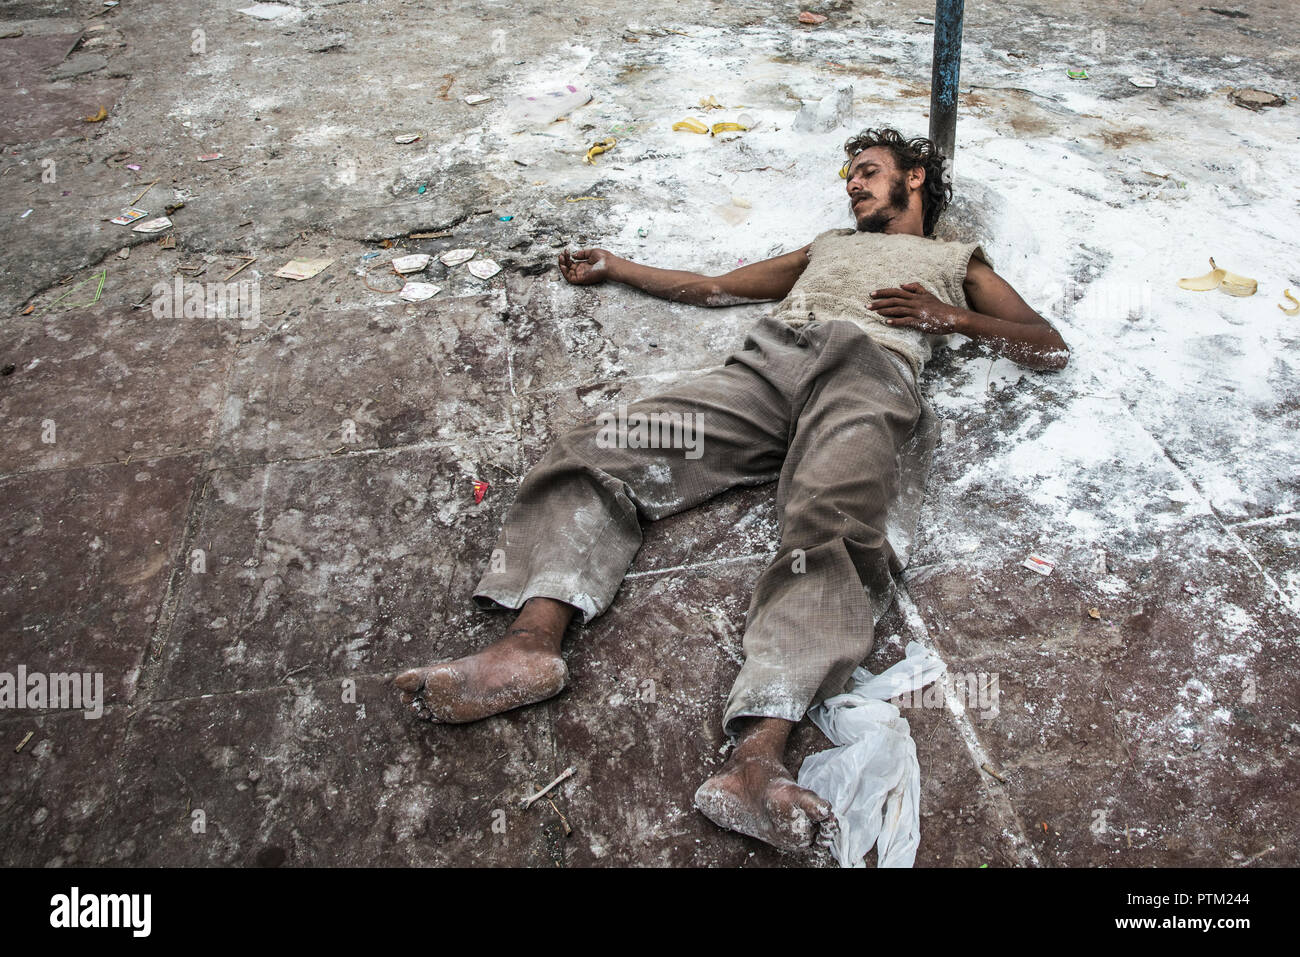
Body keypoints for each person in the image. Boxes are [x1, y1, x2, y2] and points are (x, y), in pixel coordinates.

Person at [394, 127, 1070, 852]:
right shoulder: (826, 247)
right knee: (605, 444)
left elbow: (1047, 343)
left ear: (914, 179)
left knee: (831, 526)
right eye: (848, 175)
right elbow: (720, 285)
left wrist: (950, 318)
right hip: (768, 368)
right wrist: (621, 266)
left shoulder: (951, 259)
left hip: (866, 372)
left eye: (869, 172)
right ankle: (529, 642)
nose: (852, 184)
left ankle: (757, 757)